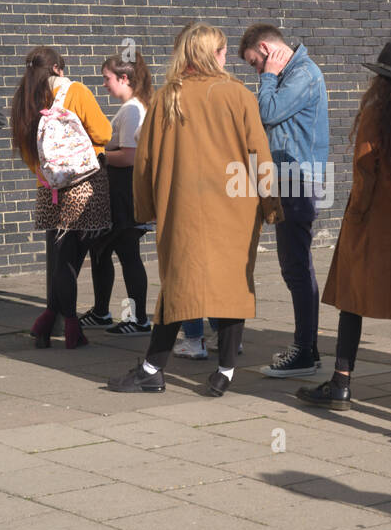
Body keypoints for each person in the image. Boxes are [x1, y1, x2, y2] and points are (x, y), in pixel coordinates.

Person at [107, 23, 281, 396]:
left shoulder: (168, 98)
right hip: (235, 208)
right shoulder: (238, 95)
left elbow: (145, 164)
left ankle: (153, 369)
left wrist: (145, 209)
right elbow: (259, 155)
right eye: (221, 51)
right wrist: (270, 205)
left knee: (178, 288)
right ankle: (225, 372)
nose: (225, 58)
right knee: (231, 286)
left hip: (182, 208)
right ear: (209, 53)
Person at [297, 41, 391, 411]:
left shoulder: (376, 116)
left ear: (382, 81)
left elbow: (364, 172)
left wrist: (355, 217)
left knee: (353, 298)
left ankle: (341, 383)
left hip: (376, 221)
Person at [238, 24, 330, 377]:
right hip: (289, 180)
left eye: (254, 63)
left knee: (296, 266)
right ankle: (308, 348)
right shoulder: (295, 74)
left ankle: (304, 351)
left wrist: (269, 77)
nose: (257, 71)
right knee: (295, 265)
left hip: (298, 181)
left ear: (266, 48)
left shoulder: (301, 74)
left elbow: (267, 112)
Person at [9, 46, 112, 349]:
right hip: (83, 184)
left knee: (59, 257)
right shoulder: (75, 91)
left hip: (49, 188)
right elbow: (104, 133)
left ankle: (48, 321)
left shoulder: (24, 100)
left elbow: (29, 152)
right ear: (56, 69)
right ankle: (68, 327)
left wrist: (46, 175)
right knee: (70, 260)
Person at [77, 52, 154, 336]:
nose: (104, 85)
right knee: (102, 251)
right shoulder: (133, 107)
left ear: (124, 78)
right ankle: (101, 312)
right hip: (121, 192)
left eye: (107, 79)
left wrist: (97, 156)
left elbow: (131, 157)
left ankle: (138, 319)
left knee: (127, 253)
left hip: (126, 193)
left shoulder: (133, 110)